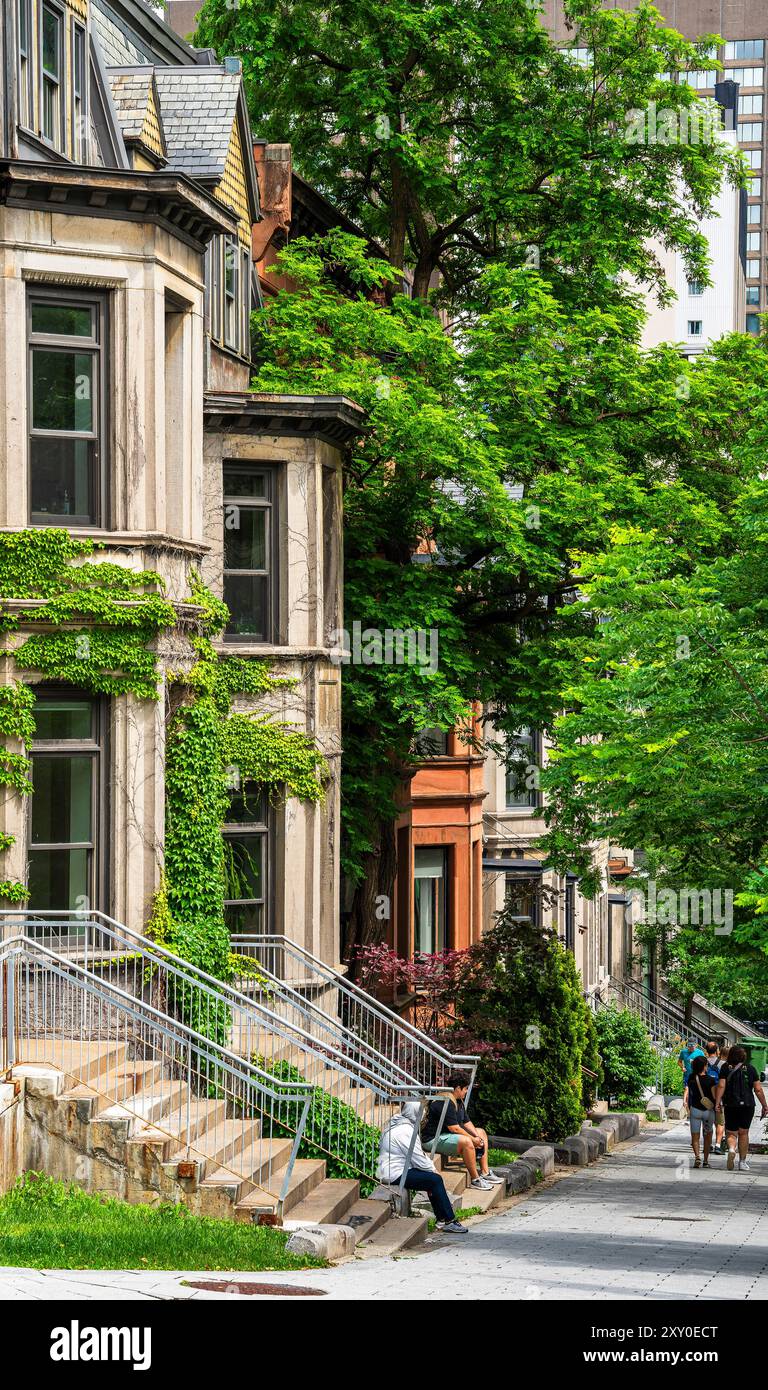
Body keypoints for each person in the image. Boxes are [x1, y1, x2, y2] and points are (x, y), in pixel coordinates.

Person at [377, 1101, 468, 1233]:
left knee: (431, 1180)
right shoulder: (405, 1131)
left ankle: (442, 1219)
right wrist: (433, 1170)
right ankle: (449, 1220)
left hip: (395, 1170)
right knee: (434, 1180)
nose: (423, 1117)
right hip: (395, 1173)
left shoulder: (398, 1125)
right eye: (422, 1113)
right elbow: (418, 1157)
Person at [422, 1074, 504, 1191]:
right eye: (465, 1088)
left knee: (481, 1132)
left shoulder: (458, 1101)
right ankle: (475, 1179)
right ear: (458, 1088)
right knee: (467, 1142)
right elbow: (454, 1128)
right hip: (431, 1139)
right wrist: (472, 1139)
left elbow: (466, 1122)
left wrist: (477, 1137)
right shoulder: (445, 1101)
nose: (466, 1091)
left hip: (446, 1136)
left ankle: (485, 1173)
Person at [714, 1045, 768, 1172]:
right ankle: (742, 1162)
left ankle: (732, 1149)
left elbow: (721, 1086)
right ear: (744, 1057)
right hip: (748, 1105)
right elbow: (758, 1089)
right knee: (744, 1133)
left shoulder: (725, 1068)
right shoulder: (751, 1069)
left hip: (731, 1104)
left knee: (731, 1132)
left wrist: (718, 1102)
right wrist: (765, 1105)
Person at [684, 1055, 717, 1169]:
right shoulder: (711, 1080)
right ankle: (706, 1160)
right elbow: (714, 1096)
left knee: (695, 1136)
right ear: (704, 1066)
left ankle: (697, 1157)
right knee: (707, 1136)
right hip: (708, 1111)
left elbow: (690, 1093)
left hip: (695, 1110)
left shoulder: (691, 1078)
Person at [703, 1040, 726, 1153]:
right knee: (720, 1123)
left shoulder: (702, 1063)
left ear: (706, 1051)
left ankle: (708, 1145)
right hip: (719, 1098)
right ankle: (717, 1144)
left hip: (705, 1099)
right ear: (717, 1050)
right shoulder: (722, 1064)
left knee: (707, 1123)